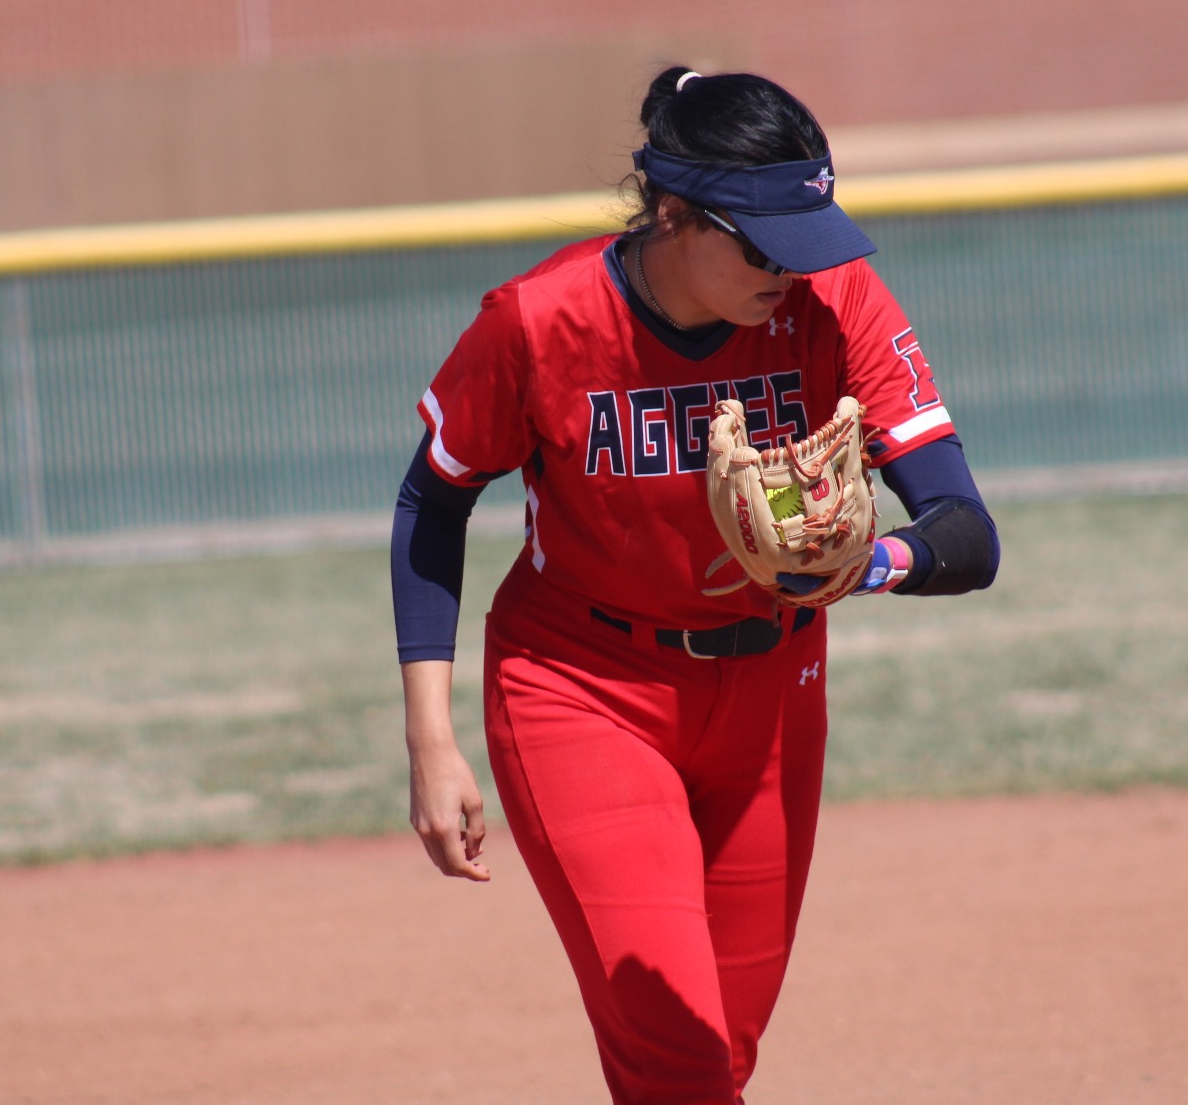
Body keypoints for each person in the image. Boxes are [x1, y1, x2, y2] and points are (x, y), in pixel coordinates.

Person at [390, 67, 1000, 1104]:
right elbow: (432, 502)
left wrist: (872, 564)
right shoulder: (541, 321)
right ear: (673, 212)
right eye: (761, 243)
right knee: (676, 1063)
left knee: (720, 1057)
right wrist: (430, 741)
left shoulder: (831, 298)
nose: (788, 270)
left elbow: (966, 530)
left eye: (804, 239)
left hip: (768, 700)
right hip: (579, 689)